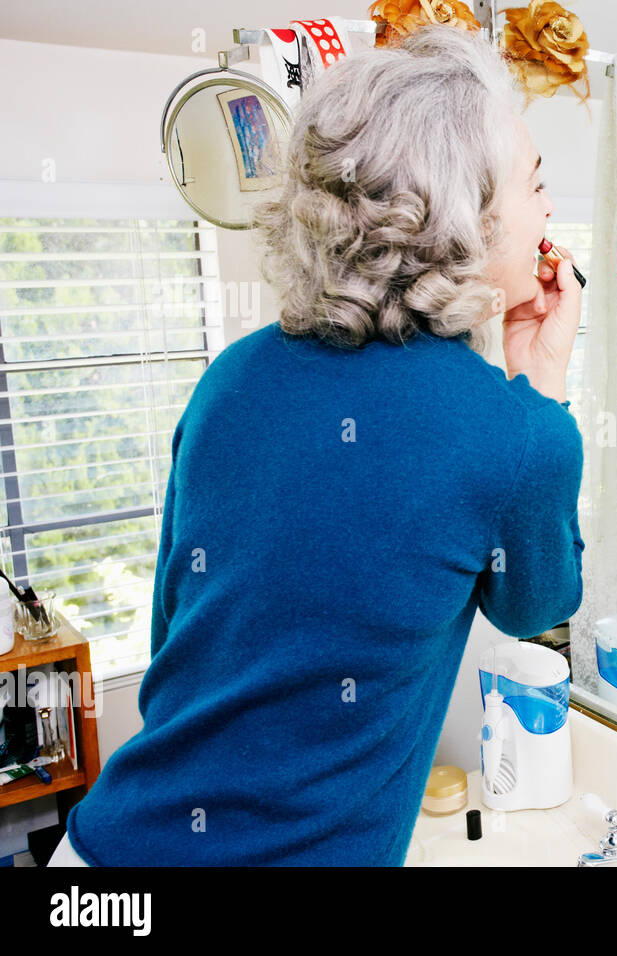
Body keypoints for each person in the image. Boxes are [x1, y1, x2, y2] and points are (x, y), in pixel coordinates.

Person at [53, 26, 584, 865]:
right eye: (536, 185)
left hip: (101, 856)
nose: (550, 210)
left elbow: (175, 635)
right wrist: (543, 388)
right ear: (467, 215)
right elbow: (536, 608)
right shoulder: (516, 430)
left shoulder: (228, 380)